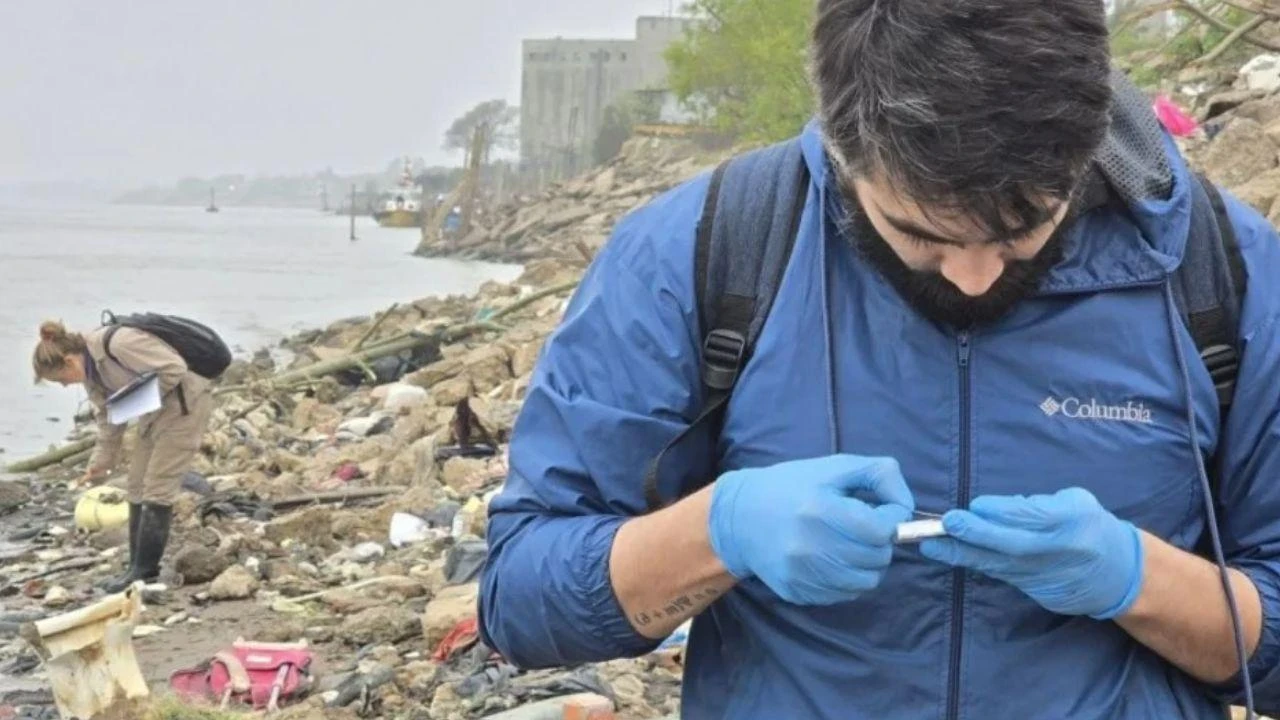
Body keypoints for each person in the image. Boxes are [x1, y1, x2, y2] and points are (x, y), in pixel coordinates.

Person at [478, 1, 1280, 718]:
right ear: (844, 149)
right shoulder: (699, 254)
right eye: (921, 234)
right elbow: (519, 598)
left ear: (1086, 142)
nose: (975, 277)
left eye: (1024, 227)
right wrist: (718, 532)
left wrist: (1139, 581)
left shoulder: (1227, 275)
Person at [33, 319, 217, 593]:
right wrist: (99, 464)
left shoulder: (119, 343)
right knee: (136, 485)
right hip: (153, 411)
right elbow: (109, 418)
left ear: (69, 361)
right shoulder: (91, 375)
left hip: (184, 405)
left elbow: (173, 368)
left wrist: (136, 399)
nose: (63, 386)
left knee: (158, 488)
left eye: (60, 379)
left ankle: (145, 572)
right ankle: (134, 567)